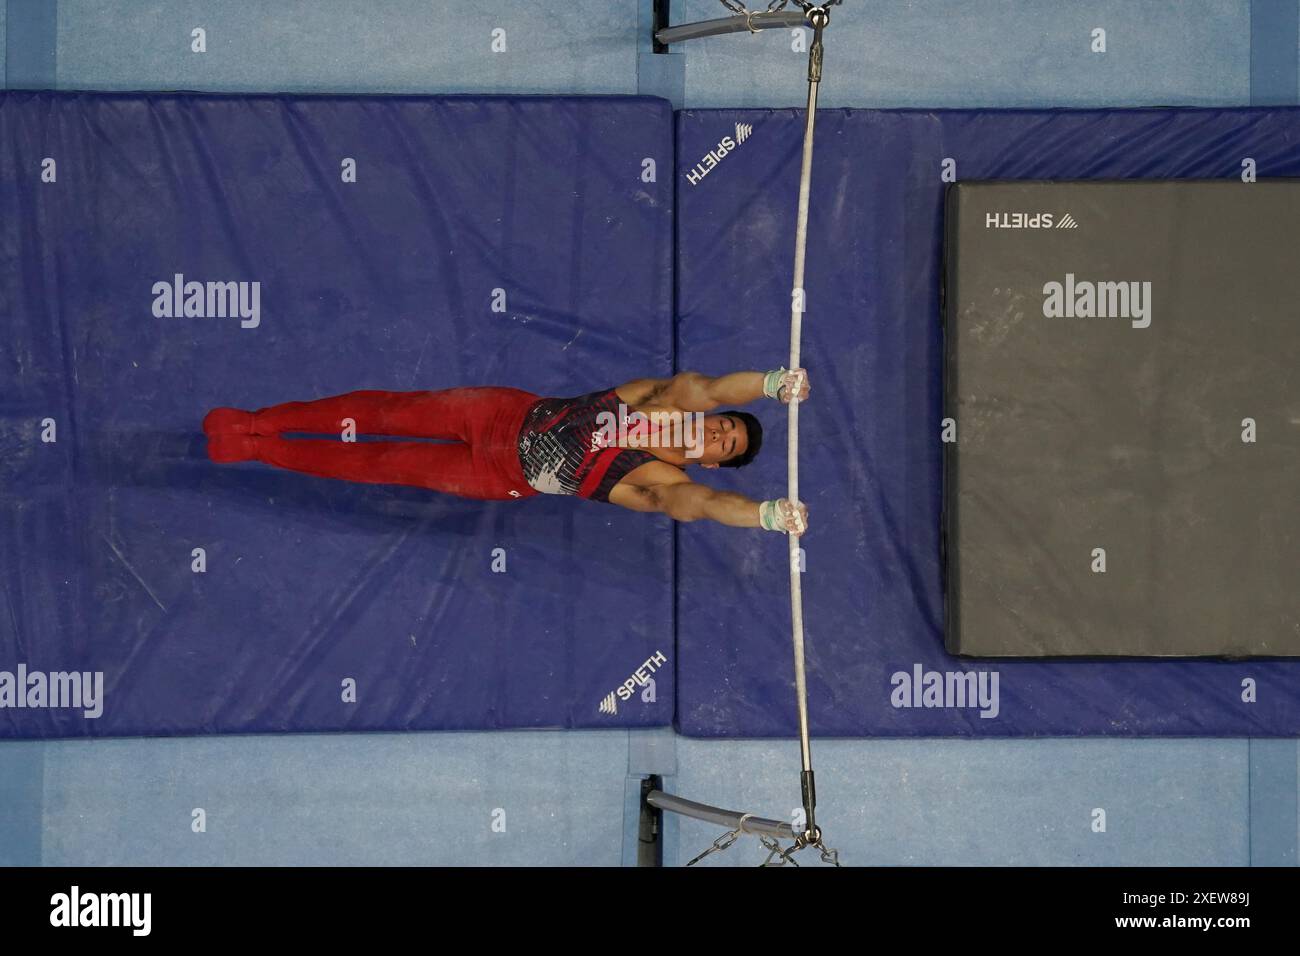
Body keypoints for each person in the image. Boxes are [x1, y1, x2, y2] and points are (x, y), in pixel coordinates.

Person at [203, 368, 810, 534]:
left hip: (497, 473)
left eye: (723, 448)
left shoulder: (663, 483)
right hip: (499, 410)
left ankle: (264, 452)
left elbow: (704, 507)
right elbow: (711, 387)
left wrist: (762, 515)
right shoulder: (671, 400)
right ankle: (258, 422)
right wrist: (769, 384)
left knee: (380, 463)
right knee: (385, 411)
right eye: (723, 426)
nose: (715, 436)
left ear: (711, 464)